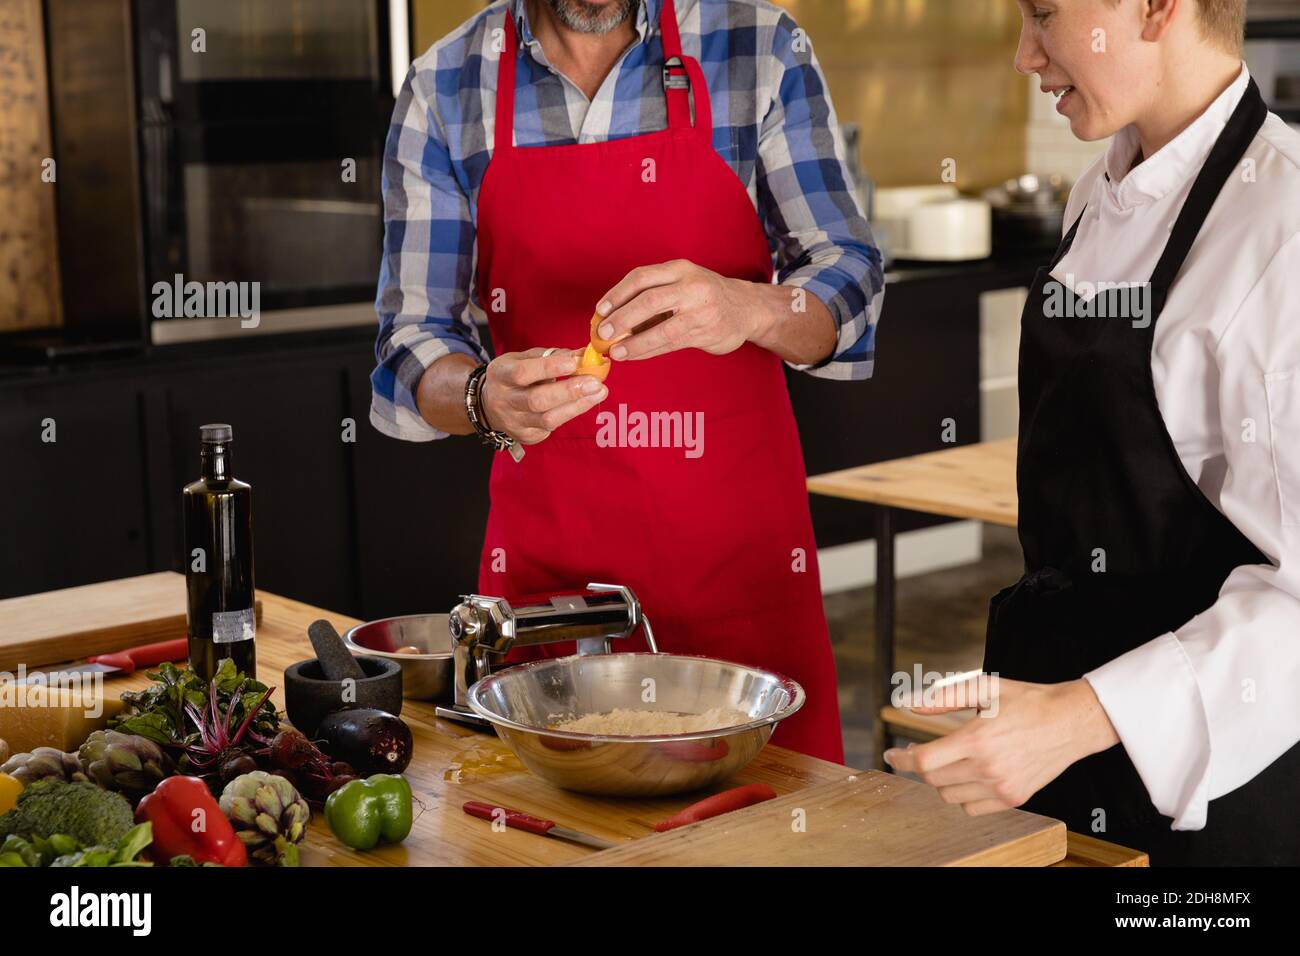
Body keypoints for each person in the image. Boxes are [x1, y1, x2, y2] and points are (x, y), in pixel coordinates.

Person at [369, 0, 885, 763]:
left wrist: (747, 304)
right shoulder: (444, 85)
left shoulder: (760, 49)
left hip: (740, 572)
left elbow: (850, 275)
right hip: (550, 594)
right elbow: (410, 340)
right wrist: (481, 395)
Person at [887, 0, 1300, 864]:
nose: (1023, 55)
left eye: (1044, 14)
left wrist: (1082, 716)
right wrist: (1047, 718)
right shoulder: (1099, 192)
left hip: (1211, 792)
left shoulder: (1283, 228)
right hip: (1056, 745)